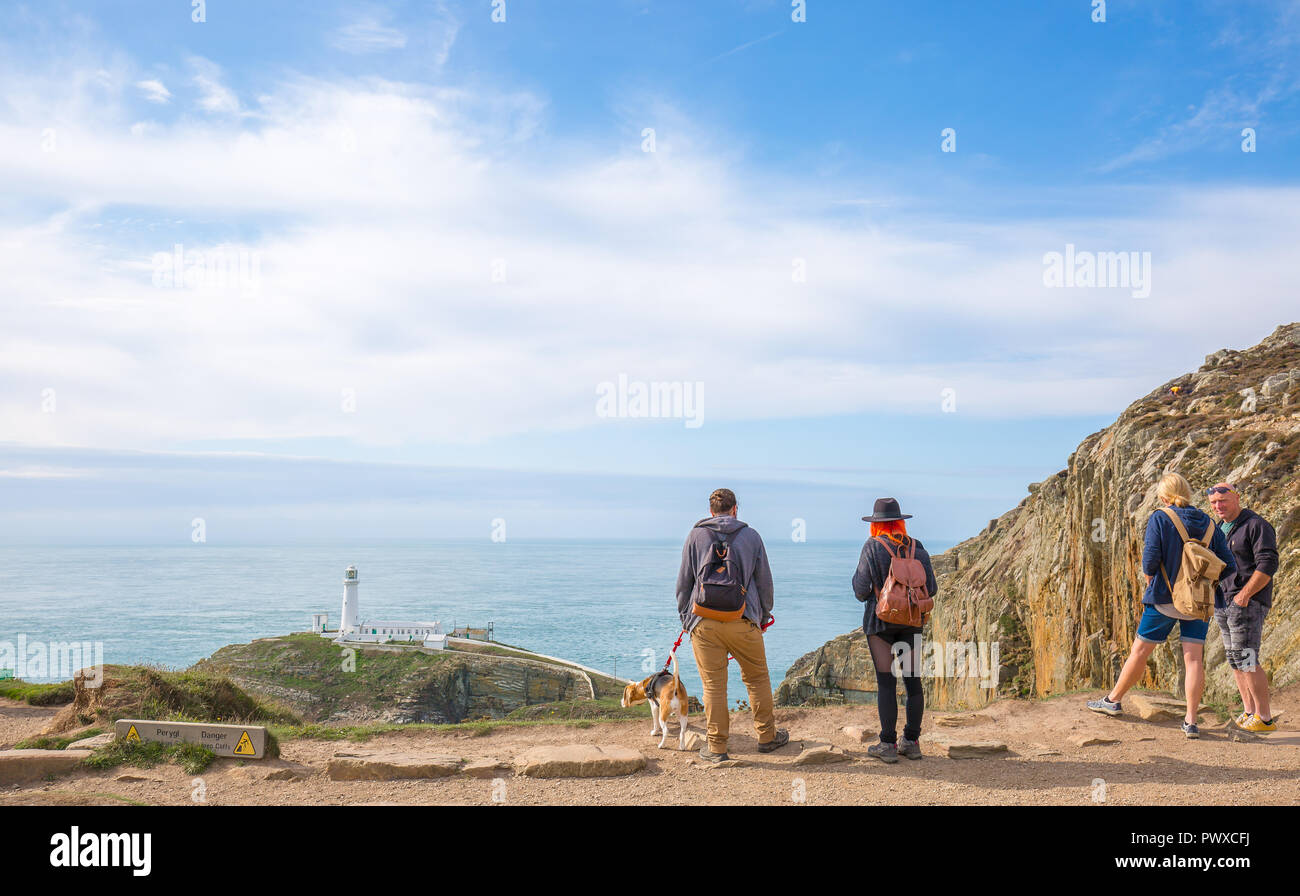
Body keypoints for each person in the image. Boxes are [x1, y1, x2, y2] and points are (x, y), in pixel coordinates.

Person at [1088, 472, 1235, 738]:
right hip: (1199, 603)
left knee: (1140, 651)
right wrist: (1204, 584)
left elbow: (1150, 561)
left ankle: (1113, 701)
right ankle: (1191, 722)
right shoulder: (1209, 523)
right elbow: (1228, 565)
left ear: (1164, 496)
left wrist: (1155, 584)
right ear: (1188, 493)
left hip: (1164, 599)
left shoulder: (1160, 517)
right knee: (1193, 660)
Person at [675, 488, 789, 762]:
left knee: (713, 686)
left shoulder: (695, 536)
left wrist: (687, 620)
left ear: (711, 511)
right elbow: (764, 583)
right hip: (743, 620)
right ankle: (766, 737)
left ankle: (716, 748)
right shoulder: (751, 537)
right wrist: (762, 617)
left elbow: (683, 584)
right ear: (735, 509)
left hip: (704, 622)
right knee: (757, 678)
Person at [851, 497, 938, 763]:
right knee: (913, 682)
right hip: (911, 622)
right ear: (900, 522)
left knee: (886, 683)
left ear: (876, 525)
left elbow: (860, 590)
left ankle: (887, 744)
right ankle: (911, 741)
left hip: (881, 625)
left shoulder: (872, 547)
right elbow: (931, 588)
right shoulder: (917, 547)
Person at [1207, 482, 1280, 733]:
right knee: (1235, 659)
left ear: (1237, 498)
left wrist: (1245, 595)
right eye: (1214, 502)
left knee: (1247, 658)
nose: (1219, 506)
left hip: (1246, 603)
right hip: (1223, 602)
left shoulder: (1256, 524)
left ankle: (1265, 718)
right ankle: (1249, 712)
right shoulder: (1218, 529)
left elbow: (1268, 564)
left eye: (1223, 500)